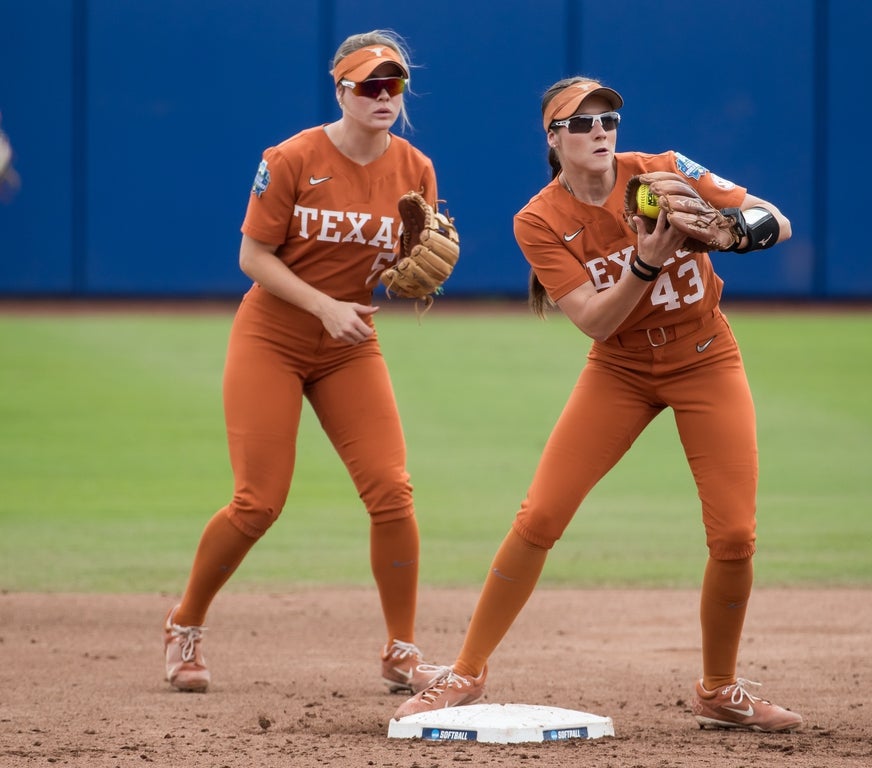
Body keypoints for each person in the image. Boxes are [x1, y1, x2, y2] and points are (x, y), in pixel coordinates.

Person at [393, 77, 803, 732]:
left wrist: (729, 231)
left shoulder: (664, 171)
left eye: (607, 117)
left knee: (733, 535)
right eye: (579, 123)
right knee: (540, 515)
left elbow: (777, 220)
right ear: (552, 139)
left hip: (704, 357)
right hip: (620, 369)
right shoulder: (538, 219)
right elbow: (594, 321)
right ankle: (465, 672)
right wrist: (644, 264)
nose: (599, 131)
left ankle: (718, 690)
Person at [163, 30, 443, 696]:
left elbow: (409, 260)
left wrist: (416, 276)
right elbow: (253, 259)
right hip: (274, 335)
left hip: (349, 344)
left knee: (392, 491)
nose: (382, 95)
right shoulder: (292, 157)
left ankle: (401, 650)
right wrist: (323, 305)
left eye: (392, 84)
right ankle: (185, 625)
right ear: (340, 89)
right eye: (368, 84)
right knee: (258, 502)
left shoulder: (415, 168)